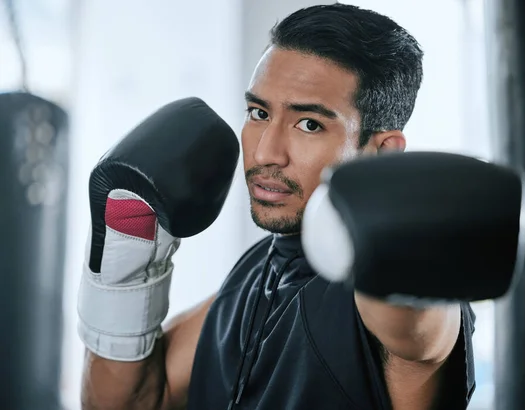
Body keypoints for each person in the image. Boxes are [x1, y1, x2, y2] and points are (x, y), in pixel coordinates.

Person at [79, 4, 475, 410]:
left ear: (383, 154)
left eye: (309, 124)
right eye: (259, 113)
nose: (266, 152)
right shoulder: (253, 278)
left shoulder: (378, 299)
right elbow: (136, 402)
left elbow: (414, 317)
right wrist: (123, 276)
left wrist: (421, 252)